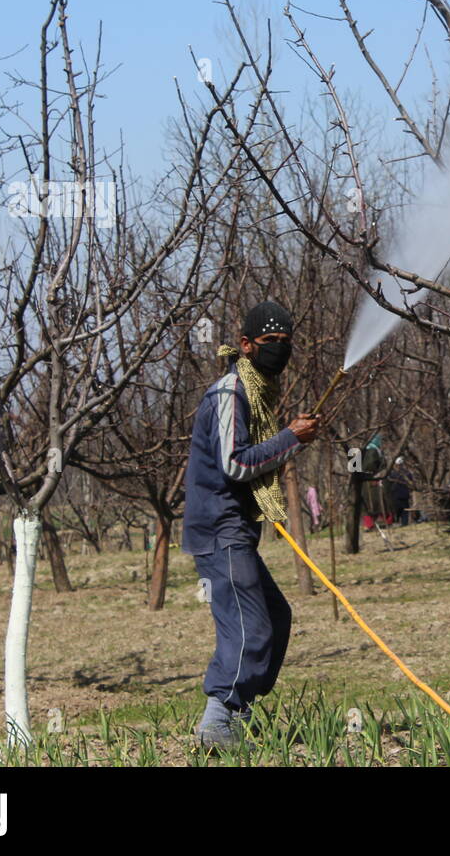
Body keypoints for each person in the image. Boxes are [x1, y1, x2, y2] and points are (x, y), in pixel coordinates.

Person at [181, 301, 320, 748]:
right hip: (218, 529)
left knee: (276, 616)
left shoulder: (256, 392)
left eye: (285, 343)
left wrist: (289, 440)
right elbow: (235, 463)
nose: (278, 351)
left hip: (236, 529)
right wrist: (290, 439)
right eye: (269, 343)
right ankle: (218, 720)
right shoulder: (229, 394)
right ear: (245, 345)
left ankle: (239, 713)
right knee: (248, 628)